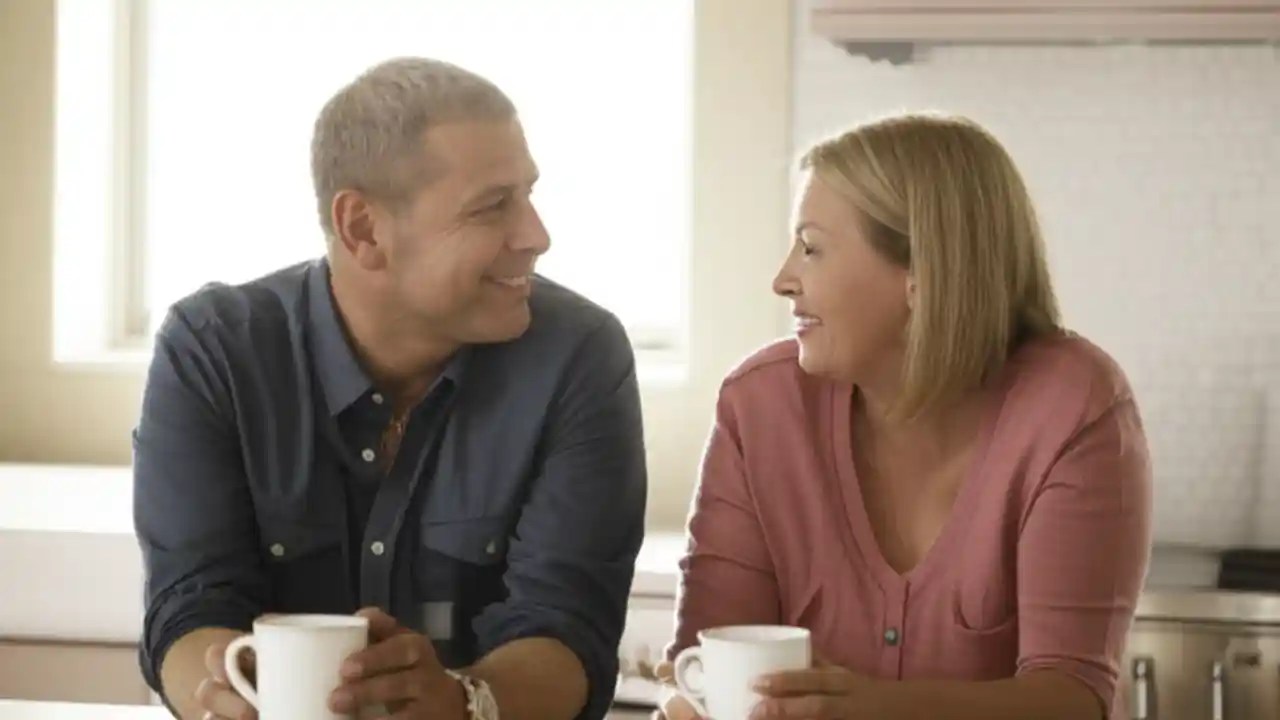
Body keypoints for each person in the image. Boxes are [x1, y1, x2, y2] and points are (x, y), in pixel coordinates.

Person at [132, 57, 647, 720]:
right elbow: (190, 605)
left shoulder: (578, 356)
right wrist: (226, 696)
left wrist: (463, 704)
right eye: (493, 207)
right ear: (363, 228)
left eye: (528, 194)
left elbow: (568, 628)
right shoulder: (212, 352)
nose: (537, 236)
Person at [659, 114, 1152, 720]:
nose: (783, 280)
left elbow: (1070, 698)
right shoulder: (759, 408)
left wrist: (873, 710)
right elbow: (707, 660)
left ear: (921, 275)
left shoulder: (1072, 408)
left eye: (811, 248)